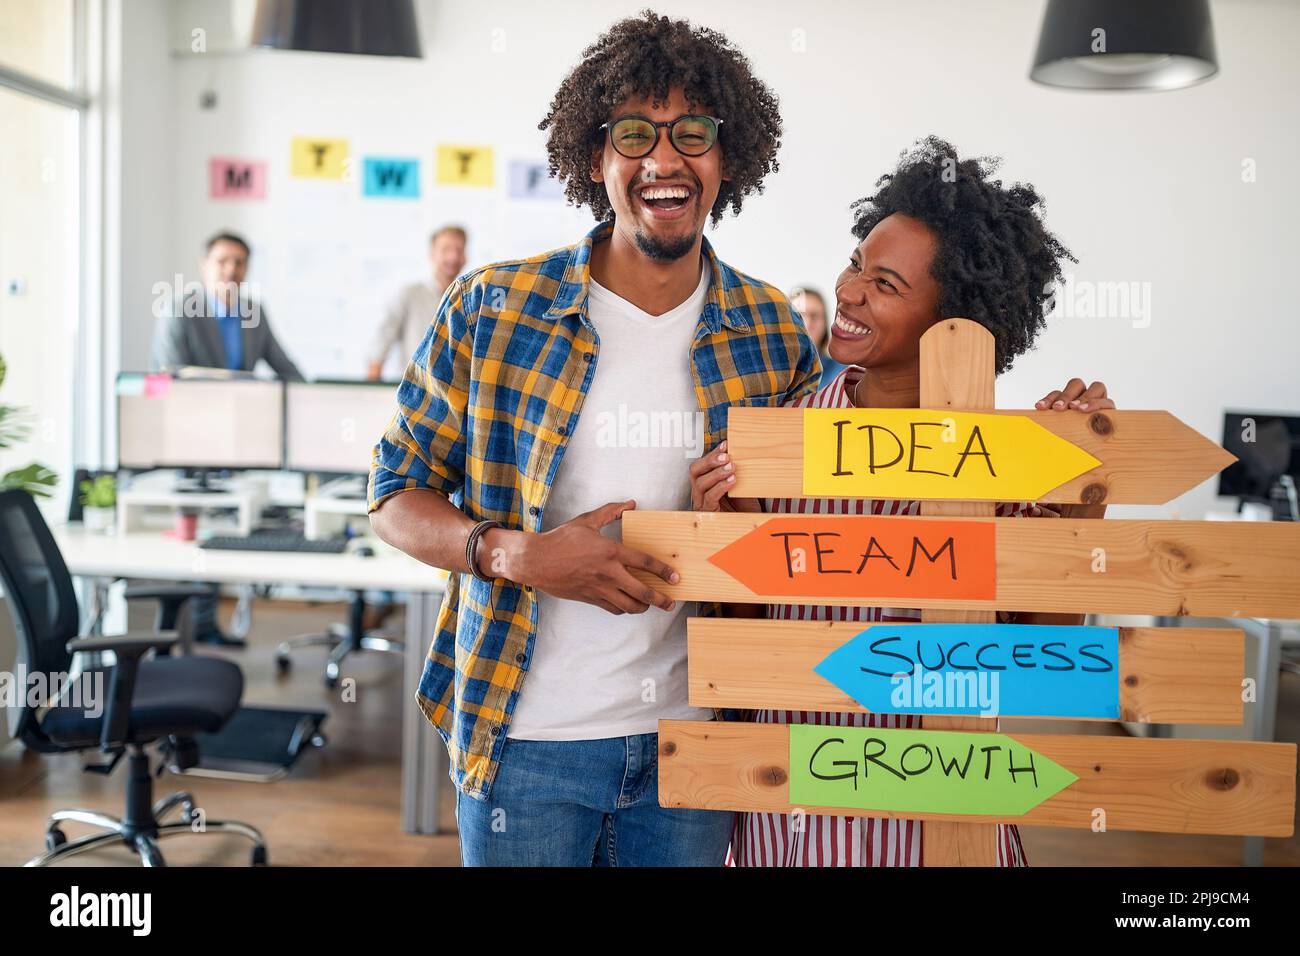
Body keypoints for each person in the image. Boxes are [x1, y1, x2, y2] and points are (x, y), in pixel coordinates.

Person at [367, 12, 820, 866]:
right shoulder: (493, 308)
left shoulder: (771, 329)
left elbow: (808, 510)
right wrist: (512, 555)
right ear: (594, 160)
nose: (665, 158)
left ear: (726, 159)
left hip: (693, 744)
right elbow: (392, 496)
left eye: (693, 132)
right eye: (633, 135)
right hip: (525, 743)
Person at [690, 136, 1114, 867]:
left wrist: (1076, 515)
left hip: (940, 830)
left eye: (885, 285)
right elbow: (743, 647)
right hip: (790, 827)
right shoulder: (776, 445)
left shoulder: (1003, 462)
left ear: (952, 319)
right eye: (857, 263)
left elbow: (1035, 657)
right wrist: (719, 540)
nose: (849, 292)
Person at [152, 231, 303, 381]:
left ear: (247, 268)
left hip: (241, 401)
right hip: (193, 402)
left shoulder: (253, 311)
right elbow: (170, 373)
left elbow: (284, 367)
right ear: (205, 265)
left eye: (239, 262)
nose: (231, 270)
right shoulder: (179, 309)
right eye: (222, 261)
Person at [366, 226, 468, 380]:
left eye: (459, 250)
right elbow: (381, 342)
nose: (453, 257)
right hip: (413, 395)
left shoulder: (469, 299)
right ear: (432, 255)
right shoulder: (409, 294)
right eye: (446, 250)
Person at [790, 285, 846, 381]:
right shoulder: (769, 370)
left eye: (815, 316)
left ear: (825, 322)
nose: (807, 324)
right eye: (799, 315)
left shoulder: (842, 372)